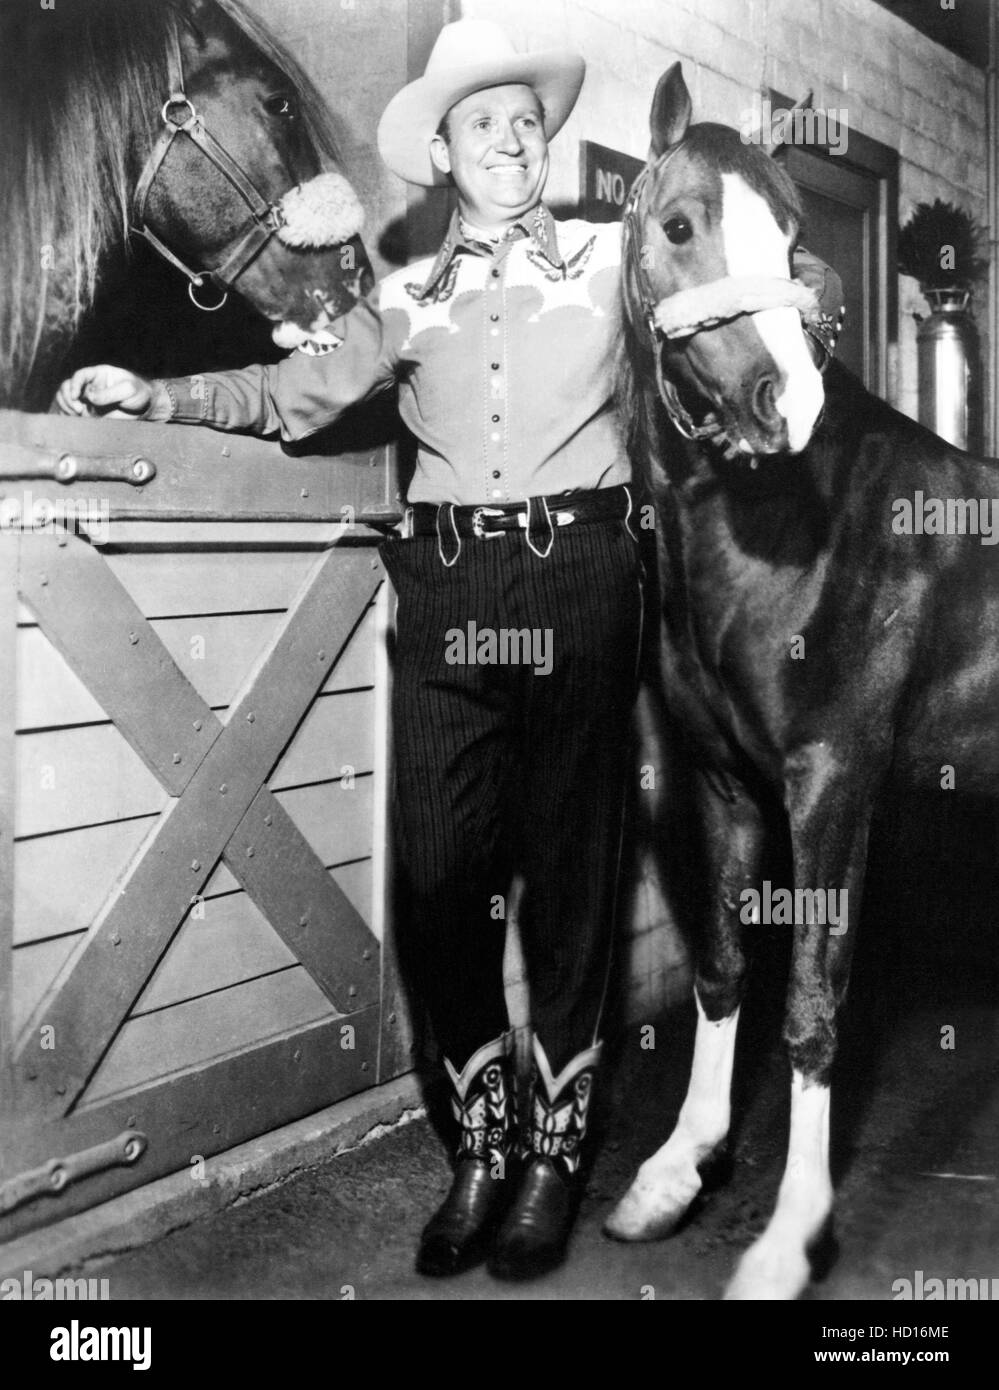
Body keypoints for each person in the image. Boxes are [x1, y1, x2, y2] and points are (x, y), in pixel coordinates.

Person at [57, 18, 843, 1282]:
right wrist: (159, 395)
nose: (512, 143)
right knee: (436, 881)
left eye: (527, 124)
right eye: (486, 126)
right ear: (451, 158)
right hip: (449, 583)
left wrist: (790, 300)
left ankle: (548, 1158)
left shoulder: (604, 263)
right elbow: (288, 395)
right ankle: (478, 1138)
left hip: (583, 578)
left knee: (575, 887)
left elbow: (714, 284)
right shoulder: (403, 297)